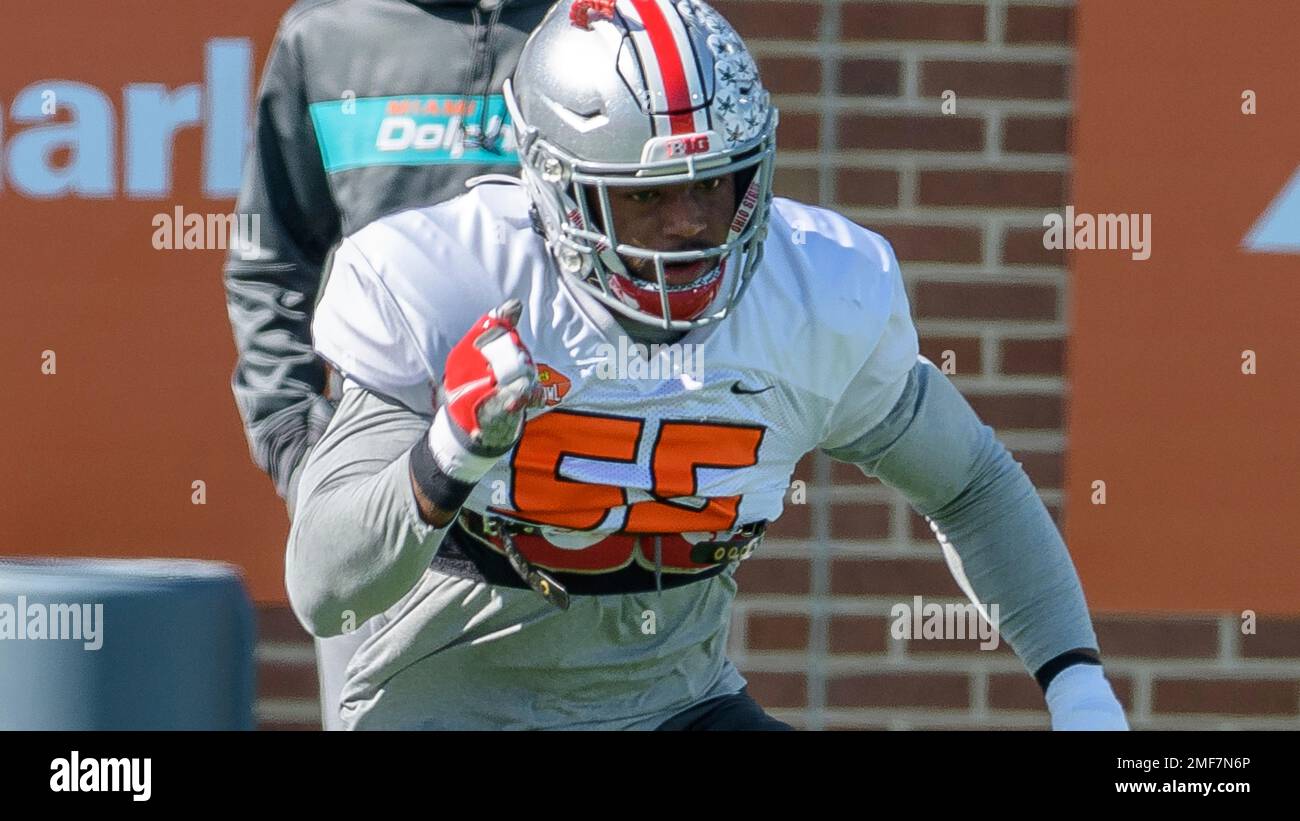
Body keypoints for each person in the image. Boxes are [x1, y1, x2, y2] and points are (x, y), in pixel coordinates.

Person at [285, 0, 1129, 730]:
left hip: (672, 707)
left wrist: (1079, 685)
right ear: (553, 185)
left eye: (714, 183)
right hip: (450, 708)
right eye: (647, 194)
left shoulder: (809, 292)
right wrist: (447, 456)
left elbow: (971, 482)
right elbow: (325, 587)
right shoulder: (447, 283)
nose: (691, 225)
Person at [223, 0, 553, 729]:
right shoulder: (328, 31)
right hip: (387, 494)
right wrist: (300, 452)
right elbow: (269, 260)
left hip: (578, 501)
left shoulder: (606, 23)